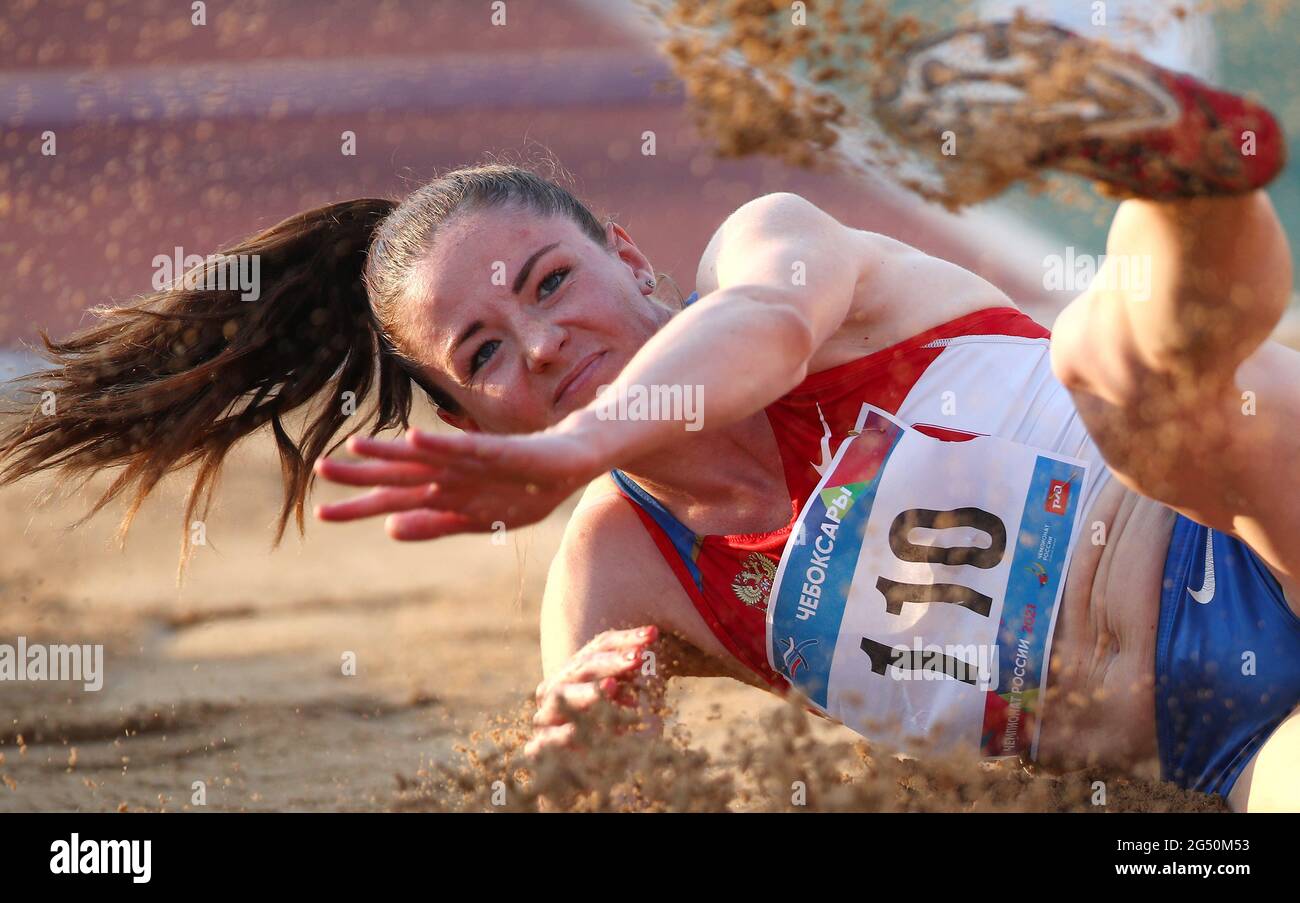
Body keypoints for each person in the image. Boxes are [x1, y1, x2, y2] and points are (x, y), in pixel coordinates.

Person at [1, 21, 1294, 810]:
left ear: (630, 256)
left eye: (552, 281)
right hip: (1240, 748)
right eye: (487, 352)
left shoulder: (776, 257)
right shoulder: (624, 571)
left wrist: (571, 446)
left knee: (1123, 389)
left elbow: (759, 337)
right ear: (469, 409)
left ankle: (1175, 172)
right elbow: (594, 794)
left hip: (1260, 522)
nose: (545, 339)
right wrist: (578, 756)